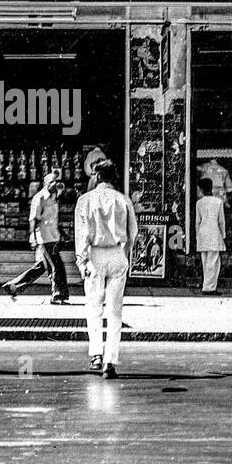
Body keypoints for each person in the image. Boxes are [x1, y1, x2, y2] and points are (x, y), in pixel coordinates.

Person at [74, 159, 137, 379]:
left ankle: (96, 355)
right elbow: (133, 233)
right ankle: (110, 360)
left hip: (95, 254)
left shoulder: (85, 200)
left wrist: (82, 261)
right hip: (117, 254)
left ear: (98, 176)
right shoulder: (124, 200)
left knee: (93, 307)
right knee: (115, 311)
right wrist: (125, 255)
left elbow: (81, 235)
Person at [2, 171, 70, 304]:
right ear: (45, 184)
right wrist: (32, 237)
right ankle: (57, 295)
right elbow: (33, 219)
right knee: (56, 266)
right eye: (52, 182)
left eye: (56, 181)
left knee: (42, 266)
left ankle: (13, 286)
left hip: (53, 236)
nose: (55, 184)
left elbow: (54, 217)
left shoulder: (54, 197)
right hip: (44, 237)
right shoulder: (39, 198)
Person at [195, 177, 226, 294]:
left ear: (202, 189)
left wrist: (197, 235)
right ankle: (209, 287)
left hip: (203, 233)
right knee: (213, 262)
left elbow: (197, 221)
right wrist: (223, 235)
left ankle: (206, 285)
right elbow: (221, 221)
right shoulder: (218, 202)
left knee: (205, 261)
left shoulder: (199, 203)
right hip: (214, 233)